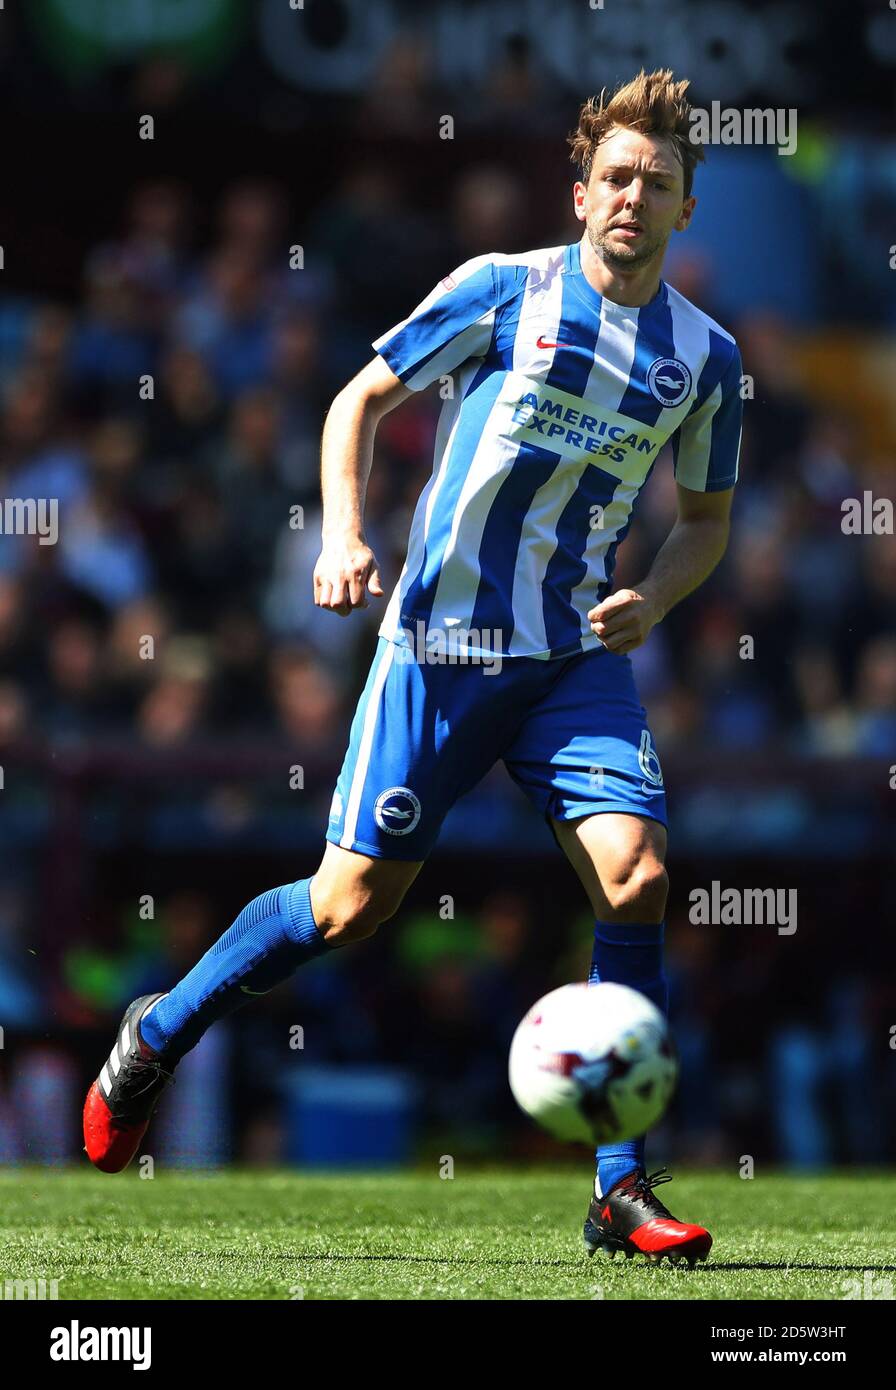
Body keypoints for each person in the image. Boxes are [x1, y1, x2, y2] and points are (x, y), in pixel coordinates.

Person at [84, 68, 742, 1267]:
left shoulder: (702, 359)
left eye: (655, 180)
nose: (630, 197)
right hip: (437, 648)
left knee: (636, 877)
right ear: (579, 188)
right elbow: (358, 398)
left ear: (687, 202)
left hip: (567, 658)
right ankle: (159, 1034)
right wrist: (341, 532)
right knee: (343, 909)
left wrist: (659, 589)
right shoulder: (504, 292)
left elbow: (704, 517)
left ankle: (617, 1184)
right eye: (612, 177)